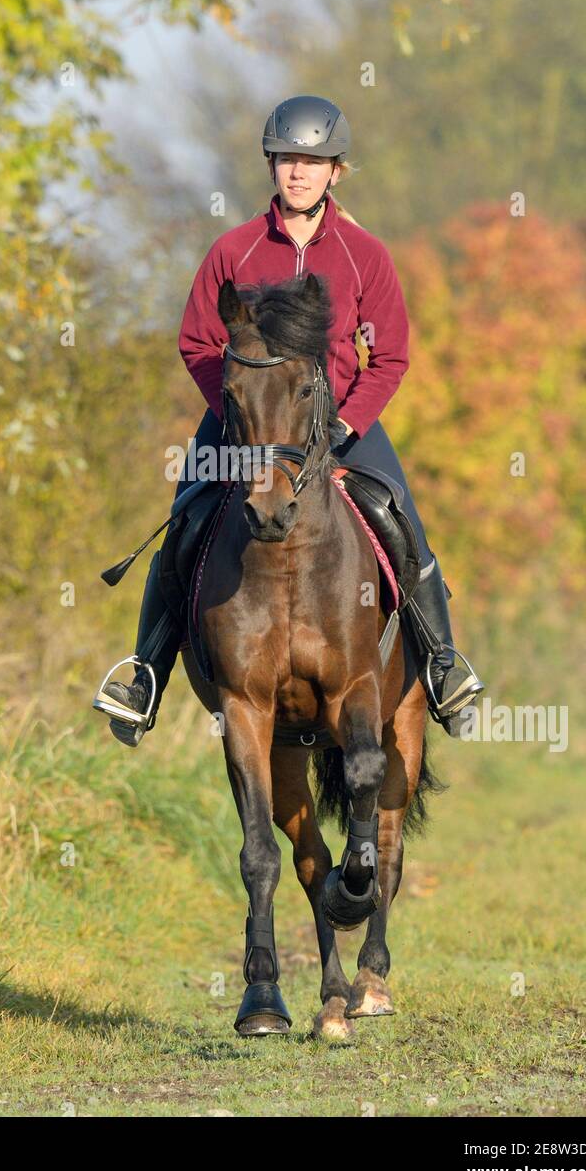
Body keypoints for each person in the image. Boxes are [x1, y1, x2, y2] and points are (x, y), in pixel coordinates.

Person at [94, 94, 484, 745]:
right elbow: (196, 343)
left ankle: (443, 666)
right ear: (271, 166)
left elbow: (389, 355)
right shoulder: (234, 250)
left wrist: (348, 424)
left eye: (313, 160)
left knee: (398, 518)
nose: (298, 172)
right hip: (245, 421)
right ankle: (145, 678)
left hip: (340, 423)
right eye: (286, 159)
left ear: (336, 171)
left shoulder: (365, 254)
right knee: (186, 519)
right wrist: (242, 418)